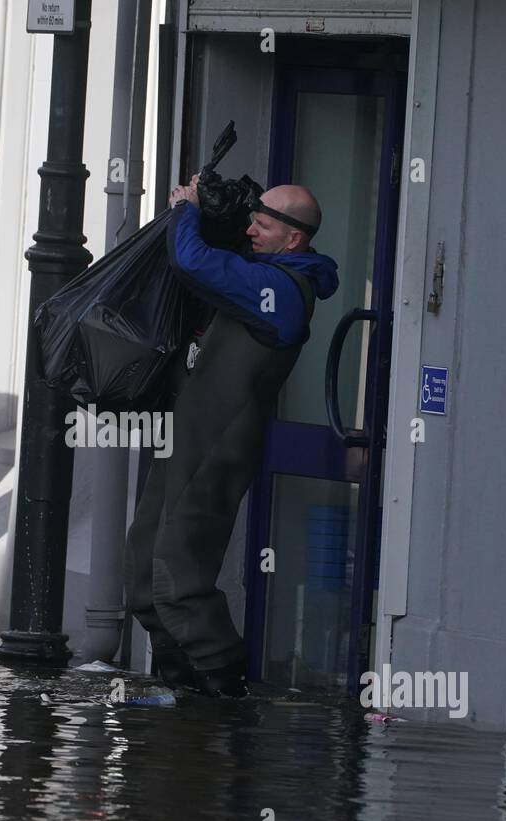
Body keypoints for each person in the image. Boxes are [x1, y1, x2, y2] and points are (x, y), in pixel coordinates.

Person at [124, 175, 340, 696]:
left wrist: (186, 211)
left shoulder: (283, 291)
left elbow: (194, 261)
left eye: (261, 224)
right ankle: (185, 692)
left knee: (178, 581)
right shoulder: (259, 273)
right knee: (142, 582)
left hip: (215, 452)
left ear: (293, 238)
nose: (249, 230)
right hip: (182, 443)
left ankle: (226, 697)